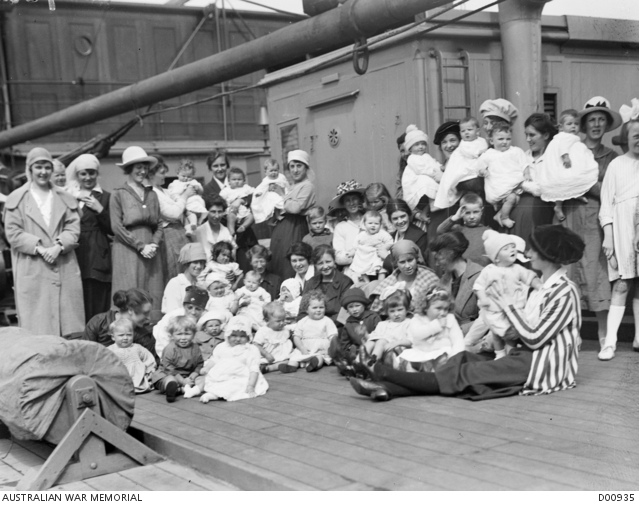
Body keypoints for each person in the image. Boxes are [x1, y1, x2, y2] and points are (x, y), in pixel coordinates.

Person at [349, 224, 585, 402]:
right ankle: (387, 387)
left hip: (541, 364)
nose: (529, 253)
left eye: (534, 249)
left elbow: (535, 337)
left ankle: (382, 373)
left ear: (548, 256)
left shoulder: (565, 291)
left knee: (470, 372)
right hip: (521, 355)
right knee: (462, 360)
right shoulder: (541, 287)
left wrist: (507, 307)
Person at [4, 147, 85, 336]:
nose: (43, 172)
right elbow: (13, 233)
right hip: (33, 268)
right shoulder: (17, 199)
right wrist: (40, 248)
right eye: (38, 167)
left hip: (63, 264)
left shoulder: (65, 198)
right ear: (30, 169)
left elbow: (73, 227)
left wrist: (58, 247)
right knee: (38, 327)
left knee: (69, 326)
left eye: (47, 167)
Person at [562, 96, 621, 346]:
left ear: (606, 125)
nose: (596, 124)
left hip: (597, 220)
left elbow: (608, 191)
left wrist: (583, 184)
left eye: (601, 120)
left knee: (596, 272)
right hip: (571, 216)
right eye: (591, 120)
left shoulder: (612, 156)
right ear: (584, 125)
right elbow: (560, 180)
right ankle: (570, 333)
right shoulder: (572, 151)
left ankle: (603, 334)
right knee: (570, 270)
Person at [598, 107, 639, 360]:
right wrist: (609, 236)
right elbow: (606, 206)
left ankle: (638, 337)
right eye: (636, 134)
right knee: (623, 283)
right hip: (623, 229)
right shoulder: (617, 165)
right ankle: (610, 342)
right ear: (627, 138)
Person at [464, 230, 541, 359]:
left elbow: (530, 277)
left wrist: (538, 285)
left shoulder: (518, 269)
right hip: (493, 310)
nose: (512, 250)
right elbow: (479, 286)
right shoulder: (489, 271)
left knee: (511, 335)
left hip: (514, 310)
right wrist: (483, 298)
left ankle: (510, 355)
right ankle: (499, 354)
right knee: (496, 333)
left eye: (513, 247)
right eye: (506, 248)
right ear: (496, 257)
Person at [110, 146, 164, 317]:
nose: (142, 171)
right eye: (138, 167)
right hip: (127, 249)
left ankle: (150, 330)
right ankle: (125, 331)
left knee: (152, 288)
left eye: (145, 167)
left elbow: (159, 223)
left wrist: (154, 243)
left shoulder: (152, 194)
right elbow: (116, 227)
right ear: (129, 169)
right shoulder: (118, 194)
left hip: (151, 250)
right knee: (129, 288)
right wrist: (141, 246)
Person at [65, 153, 112, 321]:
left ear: (97, 174)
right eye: (83, 173)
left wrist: (100, 210)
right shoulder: (68, 196)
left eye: (91, 173)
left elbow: (112, 229)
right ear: (77, 175)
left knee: (97, 295)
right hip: (75, 251)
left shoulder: (105, 197)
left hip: (97, 253)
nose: (88, 177)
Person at [535, 109, 599, 222]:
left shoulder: (560, 138)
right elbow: (563, 147)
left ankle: (562, 204)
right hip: (563, 163)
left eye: (576, 124)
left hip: (557, 167)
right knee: (573, 178)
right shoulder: (566, 137)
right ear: (561, 127)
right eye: (569, 124)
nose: (573, 127)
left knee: (562, 187)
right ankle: (573, 195)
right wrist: (565, 156)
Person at [190, 316, 268, 402]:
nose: (238, 339)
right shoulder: (222, 347)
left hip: (239, 376)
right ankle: (197, 390)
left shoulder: (250, 350)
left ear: (248, 337)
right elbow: (214, 359)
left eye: (242, 336)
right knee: (208, 378)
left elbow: (254, 369)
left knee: (234, 385)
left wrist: (251, 385)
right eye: (234, 335)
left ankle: (213, 395)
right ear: (228, 335)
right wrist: (207, 367)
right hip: (221, 374)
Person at [507, 113, 556, 243]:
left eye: (532, 135)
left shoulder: (554, 159)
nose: (528, 139)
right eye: (526, 135)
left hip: (542, 218)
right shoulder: (522, 157)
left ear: (545, 135)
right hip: (517, 219)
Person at [269, 150, 317, 279]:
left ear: (306, 167)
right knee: (277, 261)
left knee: (290, 263)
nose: (295, 170)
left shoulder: (307, 186)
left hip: (294, 228)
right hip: (281, 228)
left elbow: (295, 208)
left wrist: (282, 195)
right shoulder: (291, 186)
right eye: (292, 166)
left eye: (299, 166)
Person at [394, 286, 465, 372]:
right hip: (421, 353)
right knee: (408, 363)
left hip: (441, 353)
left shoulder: (450, 319)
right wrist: (437, 325)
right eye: (438, 308)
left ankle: (436, 377)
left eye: (446, 309)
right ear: (426, 307)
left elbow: (458, 339)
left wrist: (456, 357)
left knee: (443, 360)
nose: (442, 313)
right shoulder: (418, 319)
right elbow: (417, 334)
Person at [147, 155, 192, 282]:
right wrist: (185, 196)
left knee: (187, 272)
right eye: (161, 173)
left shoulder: (166, 191)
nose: (164, 176)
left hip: (181, 233)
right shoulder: (152, 193)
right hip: (169, 236)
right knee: (175, 273)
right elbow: (173, 213)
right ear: (151, 174)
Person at [476, 121, 529, 228]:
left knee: (516, 199)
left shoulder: (515, 151)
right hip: (498, 186)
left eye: (508, 139)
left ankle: (499, 213)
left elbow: (524, 164)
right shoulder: (489, 154)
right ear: (491, 140)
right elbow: (479, 167)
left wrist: (526, 173)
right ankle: (504, 217)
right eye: (500, 139)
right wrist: (483, 171)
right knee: (512, 198)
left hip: (513, 184)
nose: (505, 142)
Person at [83, 288, 158, 362]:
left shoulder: (144, 336)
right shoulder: (99, 322)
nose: (149, 318)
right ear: (130, 310)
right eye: (145, 313)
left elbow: (151, 364)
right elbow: (84, 355)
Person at [429, 231, 483, 335]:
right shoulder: (445, 279)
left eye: (438, 257)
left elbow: (488, 319)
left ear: (450, 253)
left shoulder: (480, 276)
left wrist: (457, 331)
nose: (436, 263)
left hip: (472, 339)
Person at [370, 240, 439, 314]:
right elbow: (375, 314)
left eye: (410, 260)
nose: (407, 266)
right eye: (402, 262)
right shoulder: (387, 284)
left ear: (416, 258)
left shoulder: (429, 278)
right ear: (396, 263)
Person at [435, 117, 488, 211]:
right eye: (444, 142)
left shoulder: (474, 154)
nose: (449, 146)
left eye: (452, 140)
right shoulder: (440, 169)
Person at [280, 290, 338, 373]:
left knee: (319, 357)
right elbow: (296, 337)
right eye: (314, 308)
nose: (318, 310)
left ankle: (314, 365)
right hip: (305, 349)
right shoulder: (303, 321)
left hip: (320, 350)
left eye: (321, 307)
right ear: (306, 309)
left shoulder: (327, 321)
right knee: (295, 357)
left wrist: (330, 349)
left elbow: (333, 336)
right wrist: (302, 348)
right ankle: (291, 366)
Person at [152, 315, 204, 403]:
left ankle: (189, 390)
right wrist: (182, 381)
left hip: (188, 376)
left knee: (203, 379)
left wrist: (193, 375)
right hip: (170, 374)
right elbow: (169, 369)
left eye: (187, 334)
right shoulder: (170, 349)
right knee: (169, 380)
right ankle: (172, 389)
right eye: (179, 334)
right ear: (172, 335)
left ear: (193, 334)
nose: (183, 338)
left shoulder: (195, 348)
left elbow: (199, 364)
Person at [330, 288, 381, 373]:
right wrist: (348, 349)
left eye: (357, 305)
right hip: (356, 350)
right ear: (347, 309)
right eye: (350, 307)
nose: (354, 309)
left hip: (372, 349)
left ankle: (350, 366)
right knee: (350, 353)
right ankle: (343, 362)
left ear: (364, 305)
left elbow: (380, 335)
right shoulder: (348, 323)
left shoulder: (374, 317)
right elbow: (345, 342)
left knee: (365, 354)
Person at [401, 125, 443, 226]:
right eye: (417, 145)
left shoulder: (426, 156)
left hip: (425, 178)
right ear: (410, 149)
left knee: (433, 188)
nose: (421, 147)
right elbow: (422, 169)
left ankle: (426, 210)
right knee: (428, 183)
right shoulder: (413, 158)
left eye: (423, 144)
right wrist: (434, 174)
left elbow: (433, 163)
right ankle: (432, 205)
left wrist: (440, 168)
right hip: (414, 182)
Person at [301, 244, 353, 324]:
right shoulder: (310, 282)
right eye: (320, 263)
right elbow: (302, 312)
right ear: (315, 265)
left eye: (328, 262)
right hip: (311, 327)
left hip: (336, 328)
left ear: (334, 260)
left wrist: (323, 325)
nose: (325, 266)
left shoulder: (345, 282)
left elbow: (344, 314)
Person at [436, 192, 490, 268]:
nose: (472, 216)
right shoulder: (458, 229)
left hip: (482, 270)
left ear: (482, 211)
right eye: (467, 213)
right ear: (461, 212)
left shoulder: (488, 231)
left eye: (475, 212)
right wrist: (455, 217)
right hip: (463, 271)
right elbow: (440, 231)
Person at [154, 285, 209, 357]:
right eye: (190, 308)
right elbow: (162, 341)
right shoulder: (172, 317)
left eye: (198, 309)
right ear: (184, 306)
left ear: (203, 310)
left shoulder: (207, 318)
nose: (193, 312)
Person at [362, 287, 412, 365]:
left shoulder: (409, 323)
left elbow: (411, 341)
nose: (396, 314)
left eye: (400, 310)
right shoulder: (382, 324)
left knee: (381, 341)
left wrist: (396, 343)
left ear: (407, 309)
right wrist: (364, 333)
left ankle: (373, 364)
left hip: (396, 352)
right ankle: (359, 361)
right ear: (387, 312)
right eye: (392, 311)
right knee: (371, 342)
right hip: (380, 351)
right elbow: (372, 337)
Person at [107, 318, 156, 394]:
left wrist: (149, 371)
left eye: (129, 335)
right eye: (121, 335)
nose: (125, 338)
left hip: (138, 378)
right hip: (119, 379)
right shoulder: (109, 350)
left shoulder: (137, 348)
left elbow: (149, 359)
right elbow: (103, 364)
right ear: (113, 337)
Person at [347, 210, 393, 284]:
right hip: (366, 255)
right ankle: (367, 282)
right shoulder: (362, 235)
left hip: (377, 255)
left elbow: (390, 241)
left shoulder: (382, 234)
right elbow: (356, 244)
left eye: (376, 223)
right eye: (370, 223)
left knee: (382, 267)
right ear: (365, 224)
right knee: (360, 264)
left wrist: (384, 248)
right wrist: (352, 252)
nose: (373, 225)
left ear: (380, 225)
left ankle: (380, 282)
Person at [161, 243, 207, 314]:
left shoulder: (200, 285)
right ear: (187, 263)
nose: (199, 266)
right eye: (195, 262)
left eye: (202, 263)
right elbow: (172, 313)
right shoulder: (176, 283)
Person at [330, 180, 366, 271]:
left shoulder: (370, 220)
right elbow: (339, 257)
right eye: (347, 200)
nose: (351, 203)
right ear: (343, 204)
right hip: (352, 269)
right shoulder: (340, 227)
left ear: (360, 200)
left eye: (354, 198)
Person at [167, 158, 207, 237]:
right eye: (183, 176)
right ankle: (189, 229)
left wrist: (197, 188)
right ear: (178, 174)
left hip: (192, 202)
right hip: (180, 203)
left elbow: (201, 190)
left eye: (189, 176)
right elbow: (171, 194)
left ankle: (193, 223)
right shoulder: (174, 183)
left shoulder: (193, 182)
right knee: (184, 218)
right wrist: (178, 199)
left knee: (190, 213)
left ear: (192, 176)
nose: (186, 178)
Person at [253, 301, 294, 373]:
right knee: (258, 362)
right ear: (267, 320)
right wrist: (266, 354)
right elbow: (256, 345)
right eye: (278, 321)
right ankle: (265, 367)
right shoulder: (263, 331)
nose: (282, 323)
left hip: (283, 355)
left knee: (292, 360)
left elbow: (288, 339)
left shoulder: (284, 329)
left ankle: (269, 368)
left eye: (283, 320)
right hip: (269, 356)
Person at [195, 195, 237, 263]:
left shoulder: (226, 232)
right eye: (213, 212)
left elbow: (233, 257)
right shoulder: (198, 231)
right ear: (206, 212)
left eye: (220, 212)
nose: (217, 216)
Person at [252, 158, 290, 224]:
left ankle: (278, 215)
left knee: (280, 201)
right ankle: (274, 218)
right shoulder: (266, 180)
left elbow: (286, 184)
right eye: (271, 171)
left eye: (275, 170)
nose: (274, 173)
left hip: (281, 193)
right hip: (270, 196)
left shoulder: (281, 177)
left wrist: (287, 190)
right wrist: (260, 193)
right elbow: (261, 187)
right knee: (273, 204)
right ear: (265, 172)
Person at [219, 167, 254, 238]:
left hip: (244, 212)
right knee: (230, 217)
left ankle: (243, 226)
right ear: (229, 181)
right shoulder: (226, 190)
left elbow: (254, 193)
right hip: (233, 211)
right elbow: (220, 198)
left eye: (239, 179)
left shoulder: (246, 187)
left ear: (244, 180)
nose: (237, 181)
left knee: (251, 217)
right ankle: (231, 232)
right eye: (234, 179)